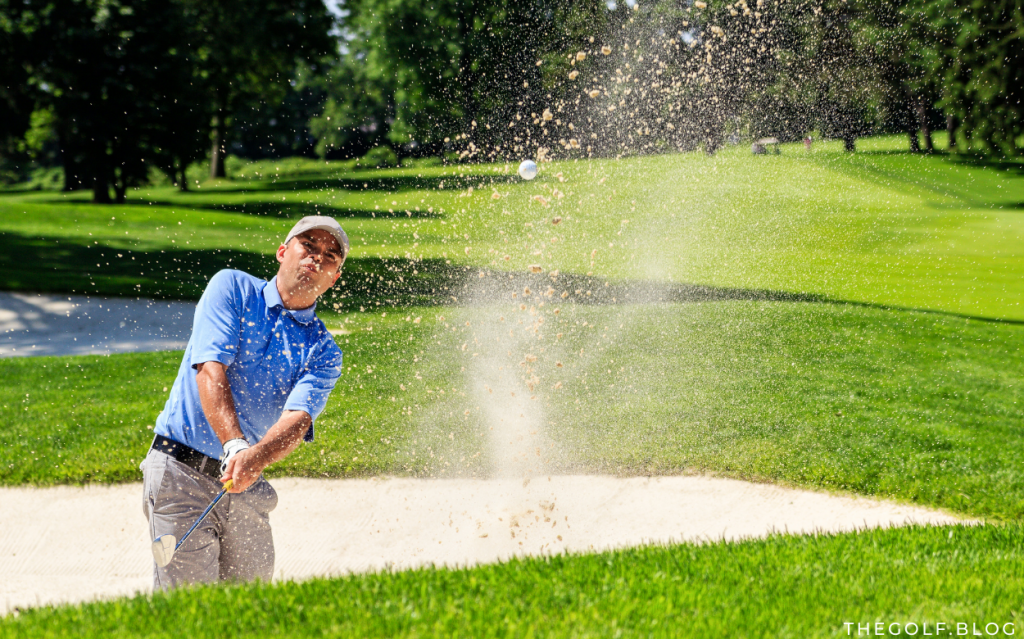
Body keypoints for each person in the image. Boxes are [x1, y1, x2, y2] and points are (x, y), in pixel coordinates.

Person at [141, 215, 348, 589]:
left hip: (246, 484)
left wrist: (255, 458)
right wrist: (236, 445)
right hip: (180, 473)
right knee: (187, 613)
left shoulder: (324, 351)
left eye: (330, 256)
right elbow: (209, 369)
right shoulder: (232, 288)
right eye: (309, 246)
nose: (317, 258)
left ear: (333, 279)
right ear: (283, 251)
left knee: (248, 611)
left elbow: (297, 419)